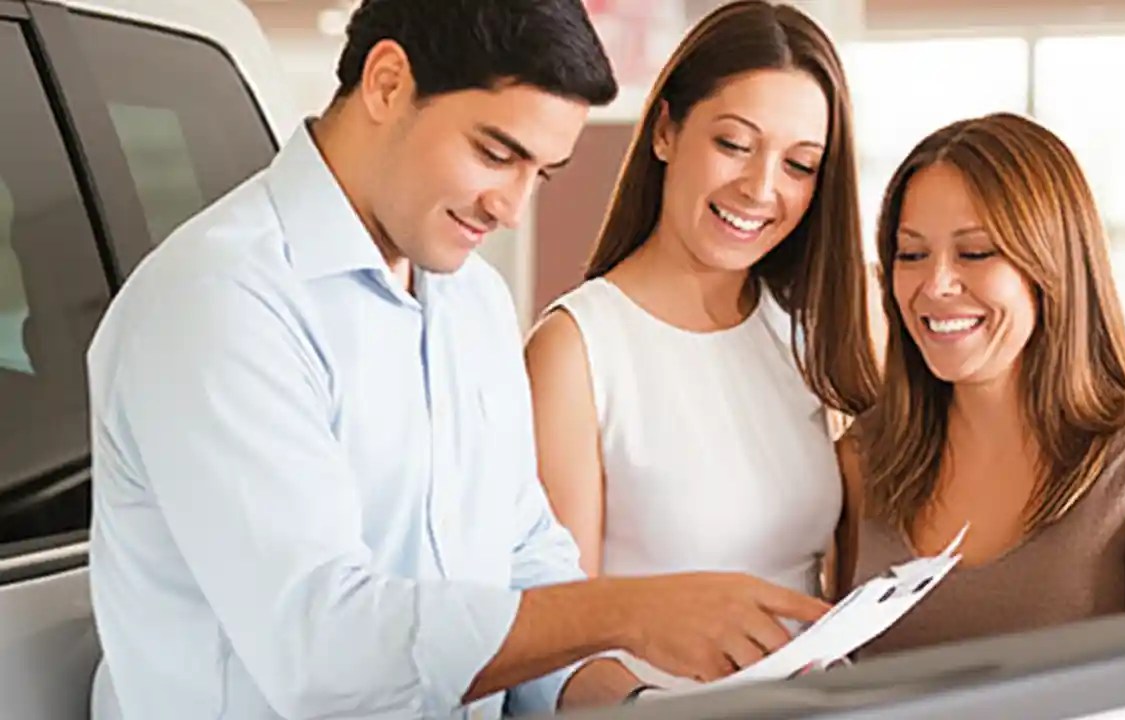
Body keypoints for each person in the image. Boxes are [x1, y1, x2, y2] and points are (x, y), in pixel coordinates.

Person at [86, 1, 831, 717]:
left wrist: (640, 706)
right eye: (495, 153)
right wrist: (630, 611)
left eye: (541, 173)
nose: (512, 207)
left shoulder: (471, 299)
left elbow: (525, 566)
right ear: (386, 82)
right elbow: (323, 650)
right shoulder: (221, 302)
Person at [835, 112, 1125, 658]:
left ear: (1053, 266)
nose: (935, 284)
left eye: (974, 252)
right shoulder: (861, 461)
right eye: (911, 254)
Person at [524, 0, 878, 685]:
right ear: (664, 131)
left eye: (800, 165)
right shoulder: (577, 349)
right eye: (734, 145)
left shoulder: (802, 334)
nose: (761, 188)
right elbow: (554, 645)